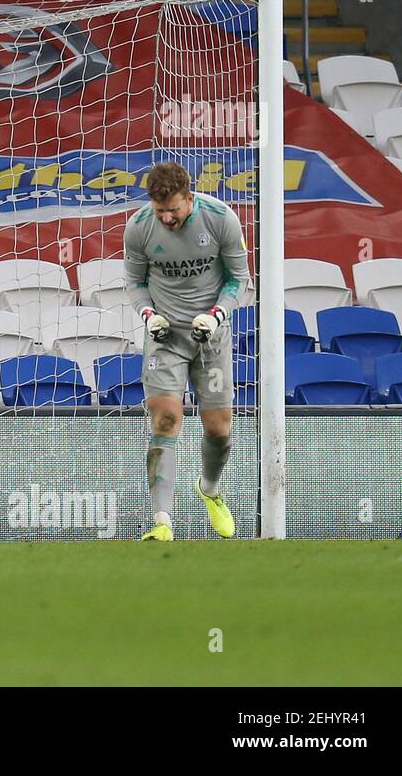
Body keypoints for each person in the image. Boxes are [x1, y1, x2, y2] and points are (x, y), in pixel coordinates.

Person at [124, 161, 250, 542]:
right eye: (160, 210)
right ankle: (162, 521)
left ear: (189, 199)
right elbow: (134, 282)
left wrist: (216, 315)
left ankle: (209, 489)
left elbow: (239, 278)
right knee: (165, 419)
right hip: (165, 337)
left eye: (173, 210)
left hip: (211, 334)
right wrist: (148, 316)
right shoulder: (139, 227)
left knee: (219, 429)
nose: (166, 218)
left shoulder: (221, 219)